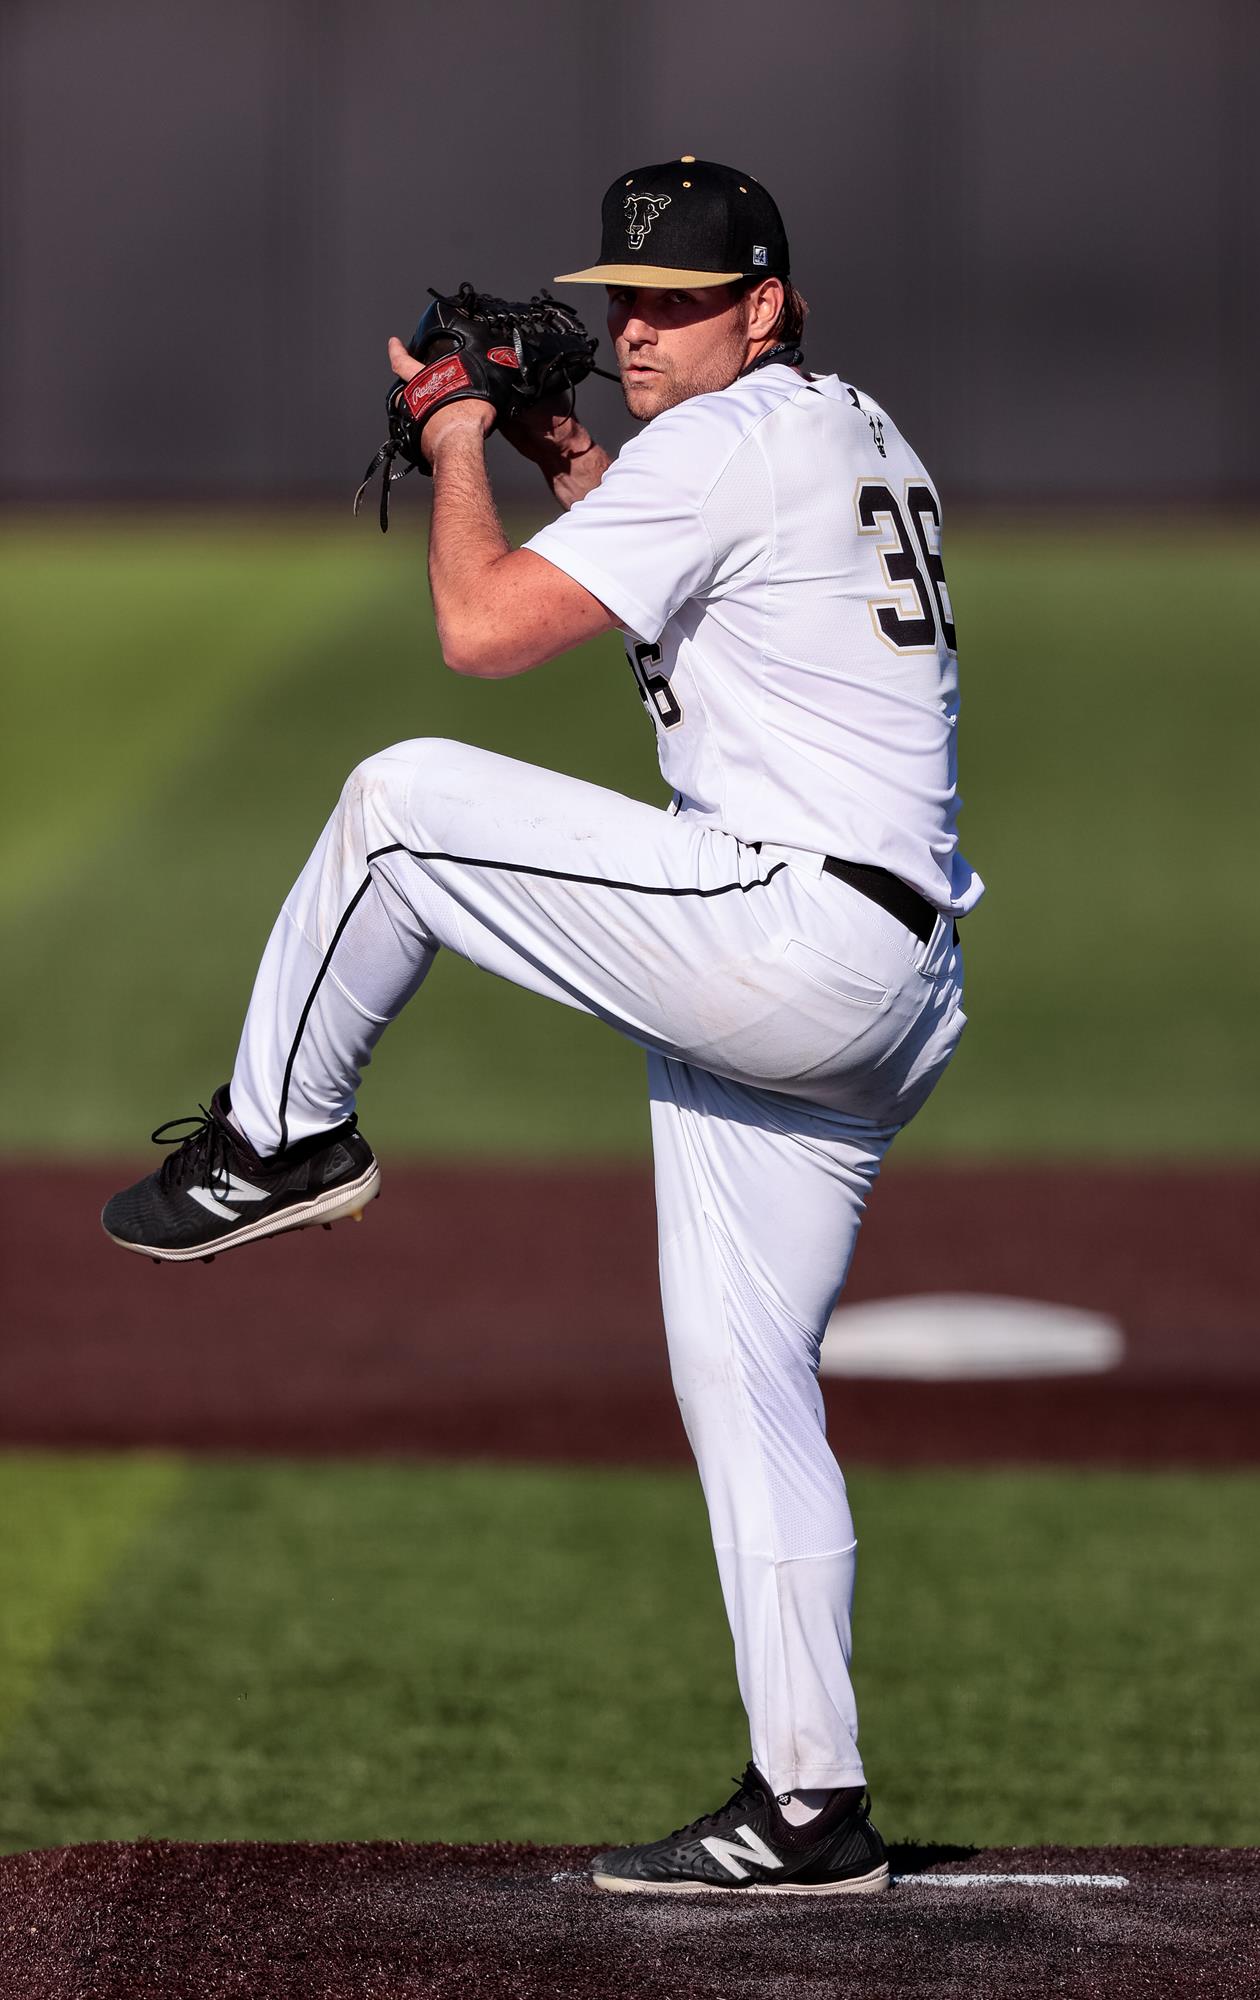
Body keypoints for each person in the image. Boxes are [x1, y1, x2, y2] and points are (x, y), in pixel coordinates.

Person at [102, 157, 981, 1895]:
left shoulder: (729, 445)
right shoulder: (848, 431)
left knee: (402, 805)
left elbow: (480, 631)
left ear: (765, 305)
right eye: (620, 302)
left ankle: (278, 1140)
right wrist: (562, 460)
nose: (632, 334)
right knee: (746, 1384)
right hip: (887, 984)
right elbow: (692, 620)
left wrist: (449, 442)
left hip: (791, 934)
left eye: (673, 304)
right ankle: (811, 1804)